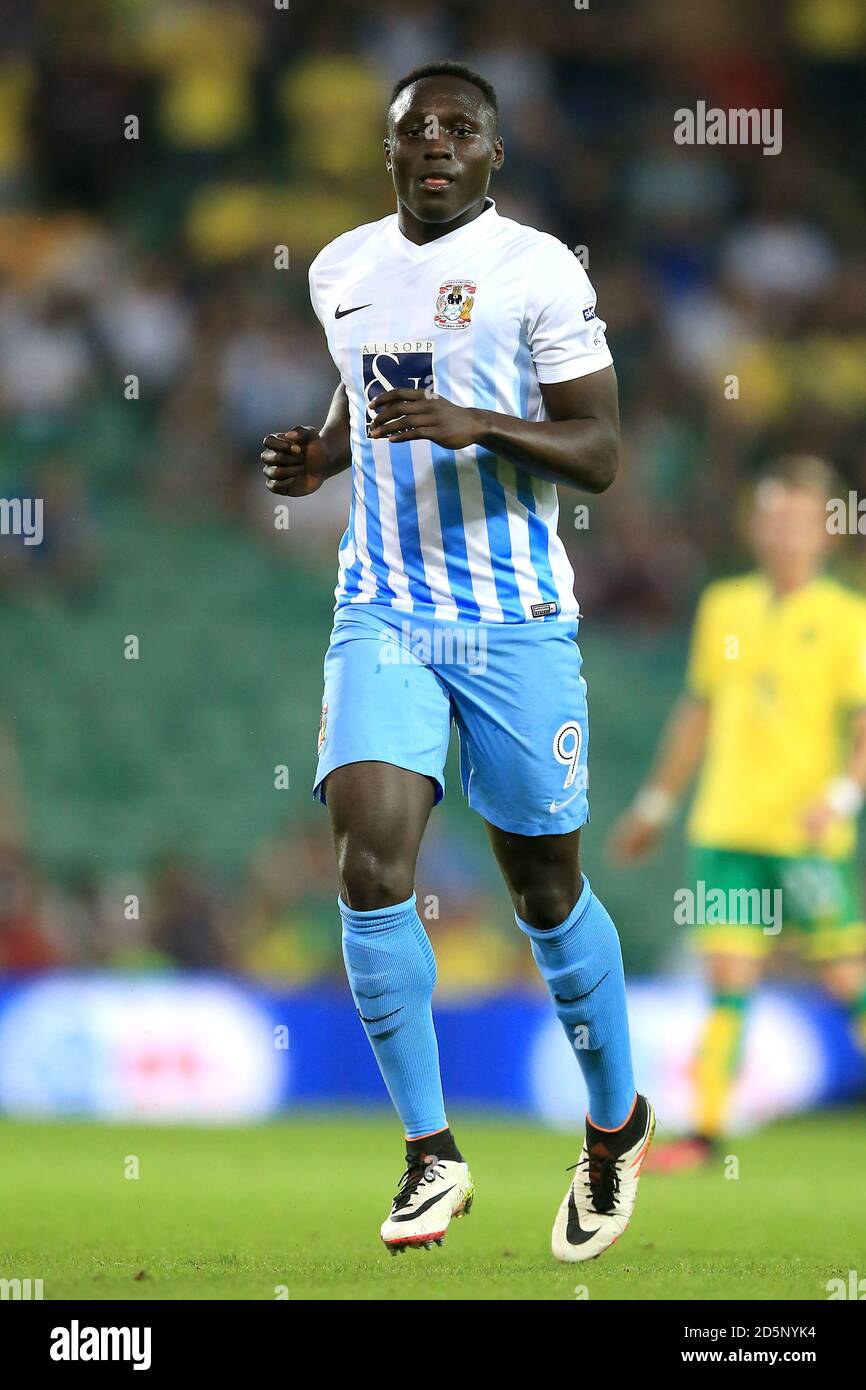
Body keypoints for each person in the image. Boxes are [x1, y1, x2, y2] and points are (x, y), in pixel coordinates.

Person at [261, 61, 653, 1259]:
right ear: (385, 152)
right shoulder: (339, 267)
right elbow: (363, 392)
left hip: (513, 622)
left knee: (542, 888)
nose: (435, 143)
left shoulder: (540, 269)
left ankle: (614, 1124)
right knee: (369, 858)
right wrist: (322, 459)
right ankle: (430, 1154)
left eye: (459, 128)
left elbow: (596, 451)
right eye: (412, 129)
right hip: (381, 608)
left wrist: (479, 423)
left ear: (494, 152)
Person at [610, 456, 866, 1170]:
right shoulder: (725, 605)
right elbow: (697, 710)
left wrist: (841, 796)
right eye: (772, 517)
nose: (782, 532)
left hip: (809, 835)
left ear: (826, 531)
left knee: (849, 981)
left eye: (797, 520)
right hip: (727, 827)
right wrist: (657, 803)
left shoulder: (848, 619)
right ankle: (707, 1134)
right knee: (729, 985)